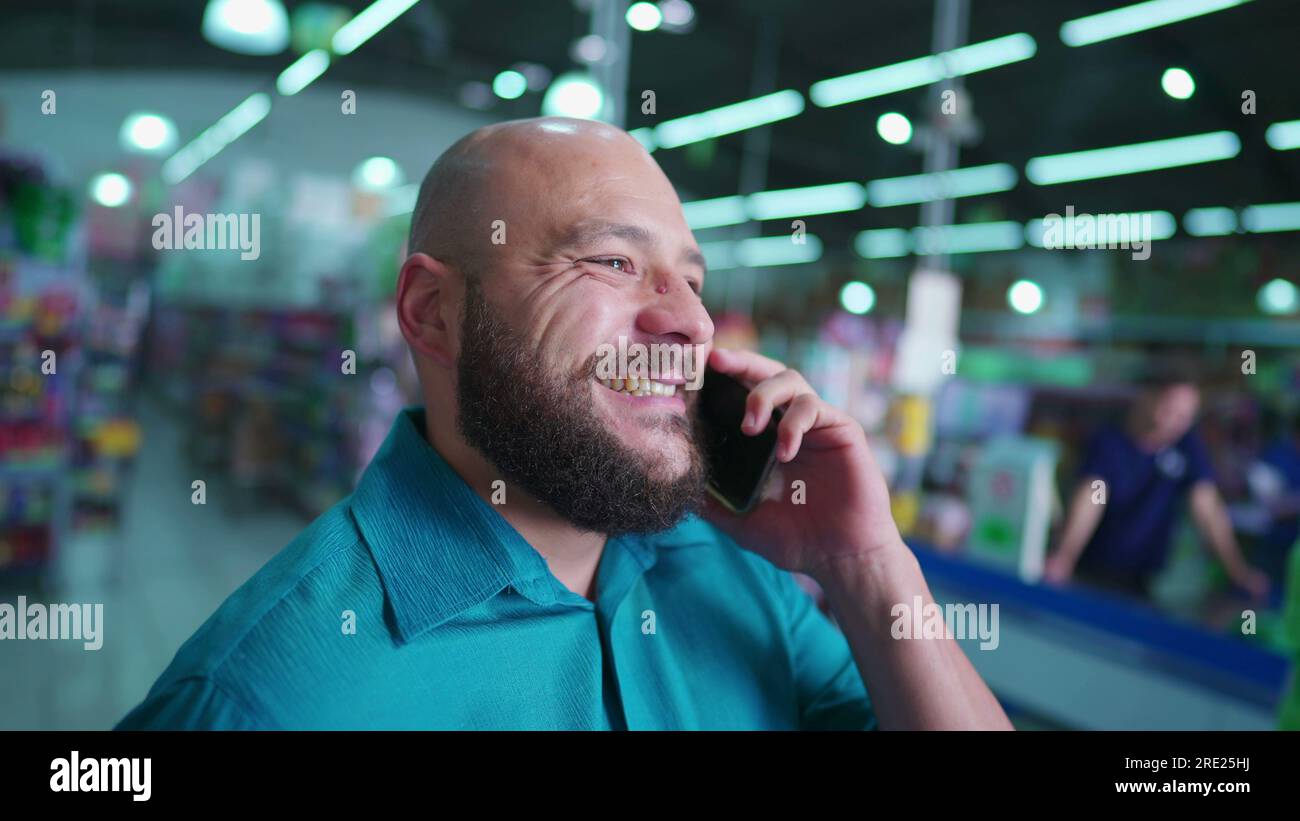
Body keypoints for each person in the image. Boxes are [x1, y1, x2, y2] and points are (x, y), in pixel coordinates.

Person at [117, 117, 1009, 730]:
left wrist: (867, 567)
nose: (692, 324)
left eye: (692, 280)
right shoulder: (262, 695)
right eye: (614, 261)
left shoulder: (743, 581)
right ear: (433, 312)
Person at [1044, 366, 1269, 600]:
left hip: (1142, 579)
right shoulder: (1108, 441)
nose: (1175, 422)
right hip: (1090, 571)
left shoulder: (1186, 446)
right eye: (1169, 409)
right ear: (1146, 398)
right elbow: (1091, 498)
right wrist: (1064, 557)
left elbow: (1206, 506)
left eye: (1184, 416)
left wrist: (1237, 571)